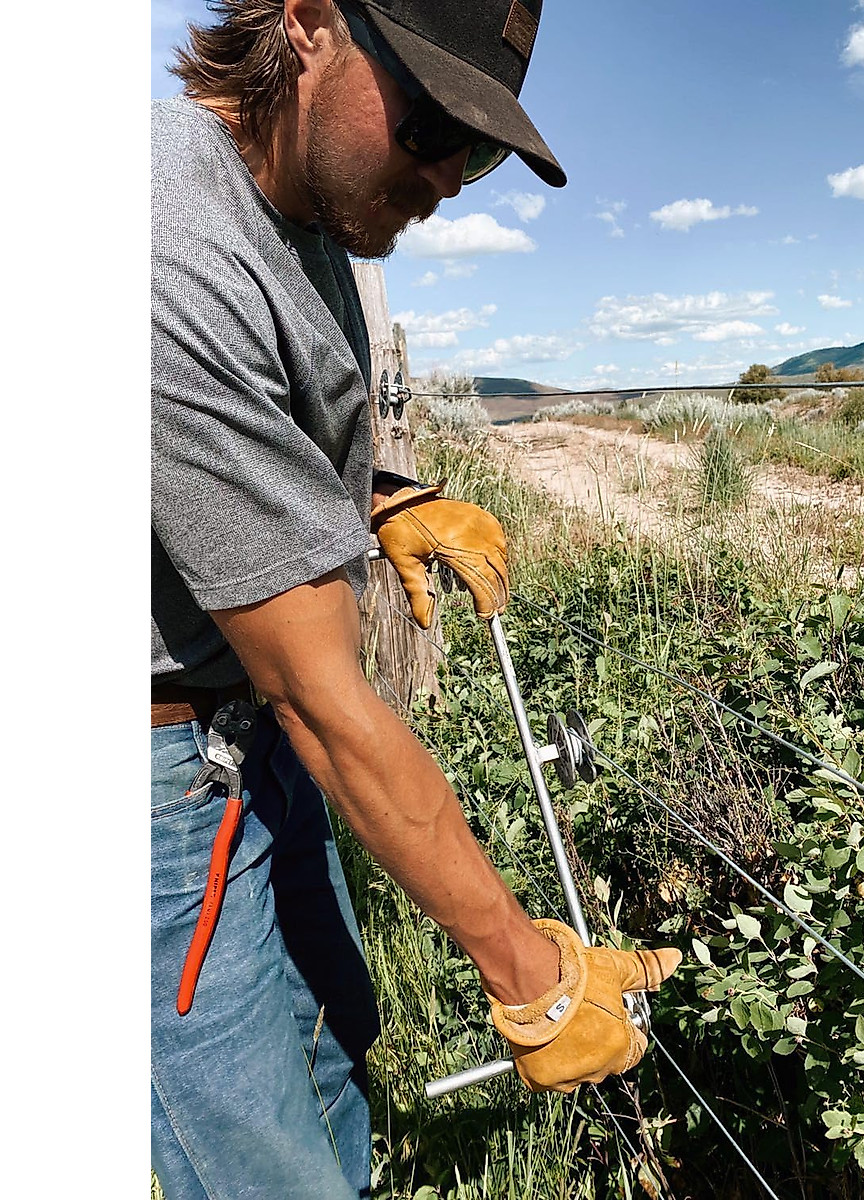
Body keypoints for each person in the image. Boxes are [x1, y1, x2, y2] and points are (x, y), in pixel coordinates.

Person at [150, 2, 682, 1196]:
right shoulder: (166, 244)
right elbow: (327, 701)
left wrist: (378, 495)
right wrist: (531, 976)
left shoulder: (305, 202)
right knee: (258, 1168)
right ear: (308, 23)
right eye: (436, 120)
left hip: (243, 743)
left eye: (479, 147)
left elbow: (262, 420)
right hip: (164, 795)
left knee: (335, 1062)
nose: (447, 175)